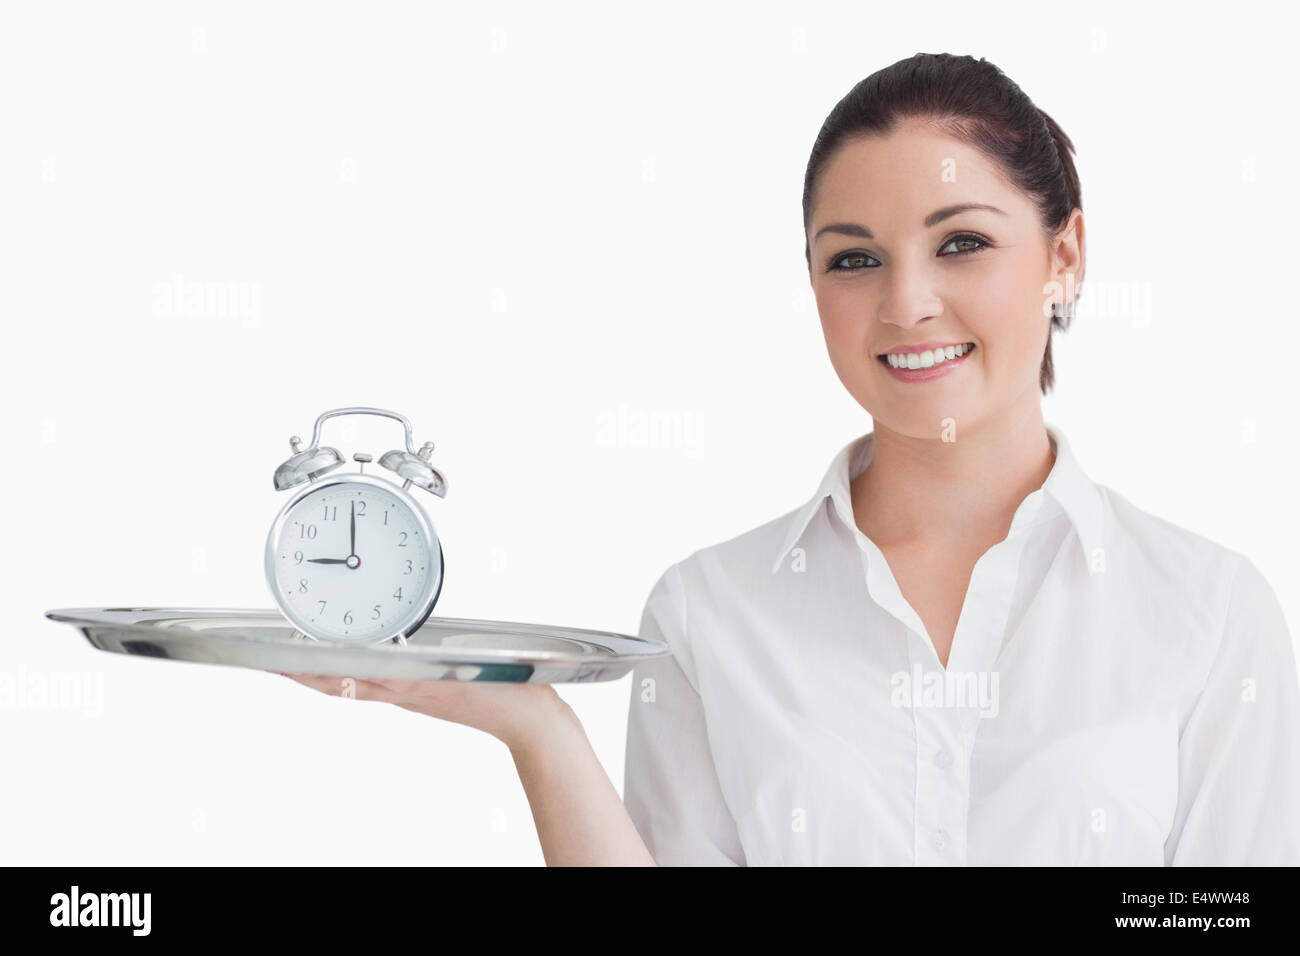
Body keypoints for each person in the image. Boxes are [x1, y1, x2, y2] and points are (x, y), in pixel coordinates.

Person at [282, 52, 1300, 866]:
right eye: (853, 257)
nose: (905, 303)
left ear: (1064, 258)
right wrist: (539, 727)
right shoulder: (708, 612)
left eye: (960, 243)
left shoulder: (1206, 614)